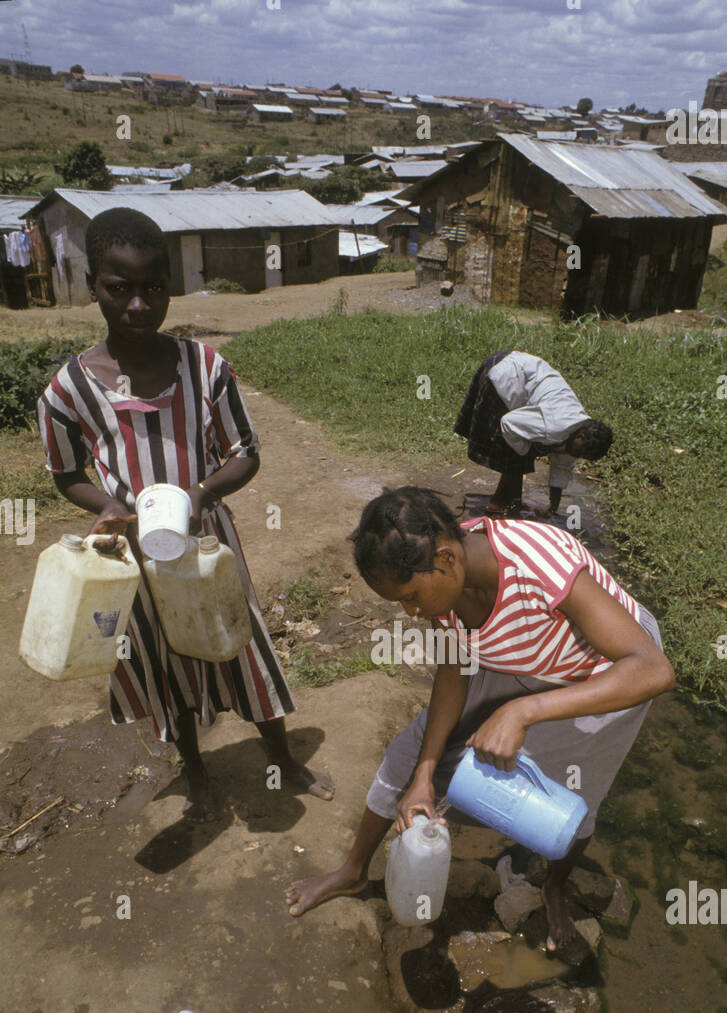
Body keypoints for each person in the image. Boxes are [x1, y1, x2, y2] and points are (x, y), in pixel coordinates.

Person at [286, 486, 674, 961]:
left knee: (572, 801)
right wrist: (425, 777)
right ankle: (352, 870)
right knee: (408, 756)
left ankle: (555, 885)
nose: (411, 612)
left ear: (446, 558)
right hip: (517, 653)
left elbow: (652, 670)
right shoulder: (443, 585)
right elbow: (454, 670)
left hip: (606, 673)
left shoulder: (541, 564)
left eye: (410, 597)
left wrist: (520, 711)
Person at [38, 207, 334, 819]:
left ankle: (282, 756)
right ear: (93, 285)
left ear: (168, 286)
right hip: (131, 558)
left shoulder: (204, 368)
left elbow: (245, 453)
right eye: (120, 288)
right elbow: (67, 474)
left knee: (241, 641)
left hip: (206, 544)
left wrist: (200, 496)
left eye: (153, 287)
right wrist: (113, 506)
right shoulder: (68, 390)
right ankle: (196, 770)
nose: (139, 305)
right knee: (163, 657)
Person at [453, 349, 613, 519]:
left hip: (519, 366)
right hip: (504, 373)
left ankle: (512, 501)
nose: (577, 456)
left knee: (522, 451)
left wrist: (554, 504)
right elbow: (509, 423)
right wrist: (525, 452)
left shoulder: (580, 428)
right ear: (580, 438)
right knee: (518, 452)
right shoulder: (555, 425)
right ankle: (499, 505)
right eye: (580, 453)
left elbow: (562, 464)